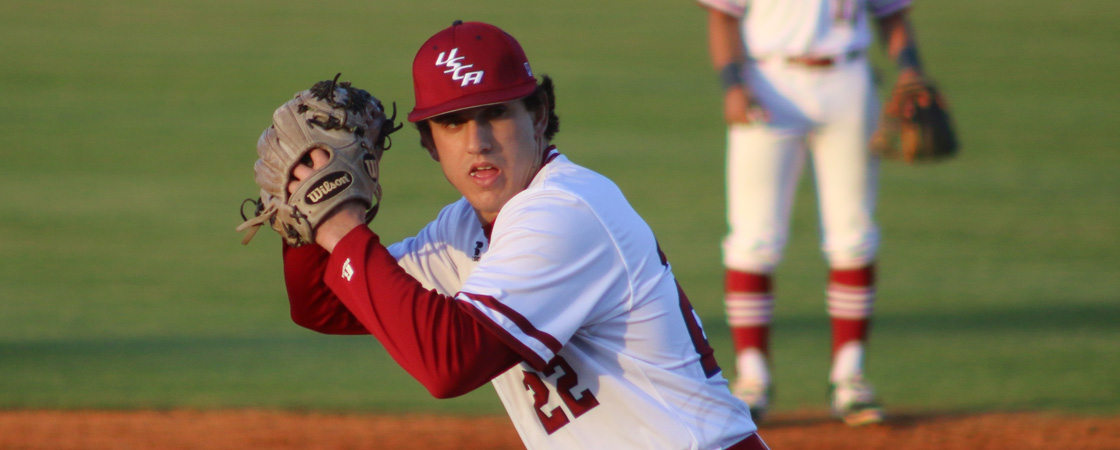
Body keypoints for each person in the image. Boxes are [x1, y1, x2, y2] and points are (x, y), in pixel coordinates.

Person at [279, 21, 769, 449]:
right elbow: (326, 303)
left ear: (537, 116)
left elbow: (448, 364)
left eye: (495, 113)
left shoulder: (565, 212)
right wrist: (306, 218)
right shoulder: (464, 227)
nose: (478, 142)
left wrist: (342, 226)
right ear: (430, 143)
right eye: (453, 122)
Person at [698, 0, 933, 426]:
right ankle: (752, 379)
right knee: (753, 239)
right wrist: (732, 83)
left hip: (849, 80)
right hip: (767, 80)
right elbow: (722, 15)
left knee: (854, 234)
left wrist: (911, 69)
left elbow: (892, 14)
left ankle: (851, 377)